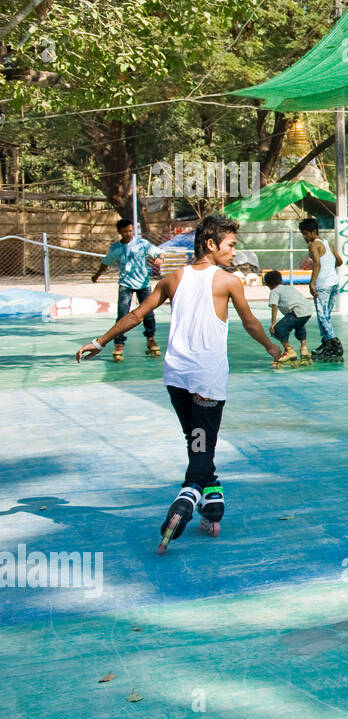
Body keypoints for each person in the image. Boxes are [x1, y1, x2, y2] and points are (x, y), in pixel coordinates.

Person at [76, 215, 283, 554]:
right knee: (203, 447)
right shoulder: (228, 281)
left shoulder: (172, 278)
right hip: (207, 380)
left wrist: (99, 342)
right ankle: (185, 502)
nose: (234, 252)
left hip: (176, 378)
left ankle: (213, 501)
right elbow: (249, 322)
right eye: (230, 245)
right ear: (212, 245)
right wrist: (272, 347)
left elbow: (135, 315)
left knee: (197, 443)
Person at [91, 218, 163, 362]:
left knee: (148, 313)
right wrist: (96, 275)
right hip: (125, 284)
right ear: (119, 232)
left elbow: (159, 252)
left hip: (143, 283)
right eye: (125, 231)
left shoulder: (142, 243)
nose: (128, 234)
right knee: (123, 314)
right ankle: (119, 344)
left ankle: (151, 339)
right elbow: (106, 263)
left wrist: (160, 258)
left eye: (130, 231)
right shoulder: (116, 248)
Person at [299, 217, 344, 362]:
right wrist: (329, 267)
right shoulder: (327, 243)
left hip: (323, 285)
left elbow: (317, 264)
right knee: (326, 315)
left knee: (322, 316)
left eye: (306, 234)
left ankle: (335, 344)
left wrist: (312, 283)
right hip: (334, 283)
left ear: (313, 232)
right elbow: (340, 261)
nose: (305, 237)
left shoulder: (313, 245)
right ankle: (326, 343)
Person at [263, 270, 315, 368]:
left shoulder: (275, 291)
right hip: (307, 311)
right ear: (281, 280)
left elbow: (275, 306)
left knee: (277, 329)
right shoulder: (288, 288)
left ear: (268, 284)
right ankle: (304, 349)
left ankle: (289, 351)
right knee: (299, 326)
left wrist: (273, 324)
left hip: (296, 312)